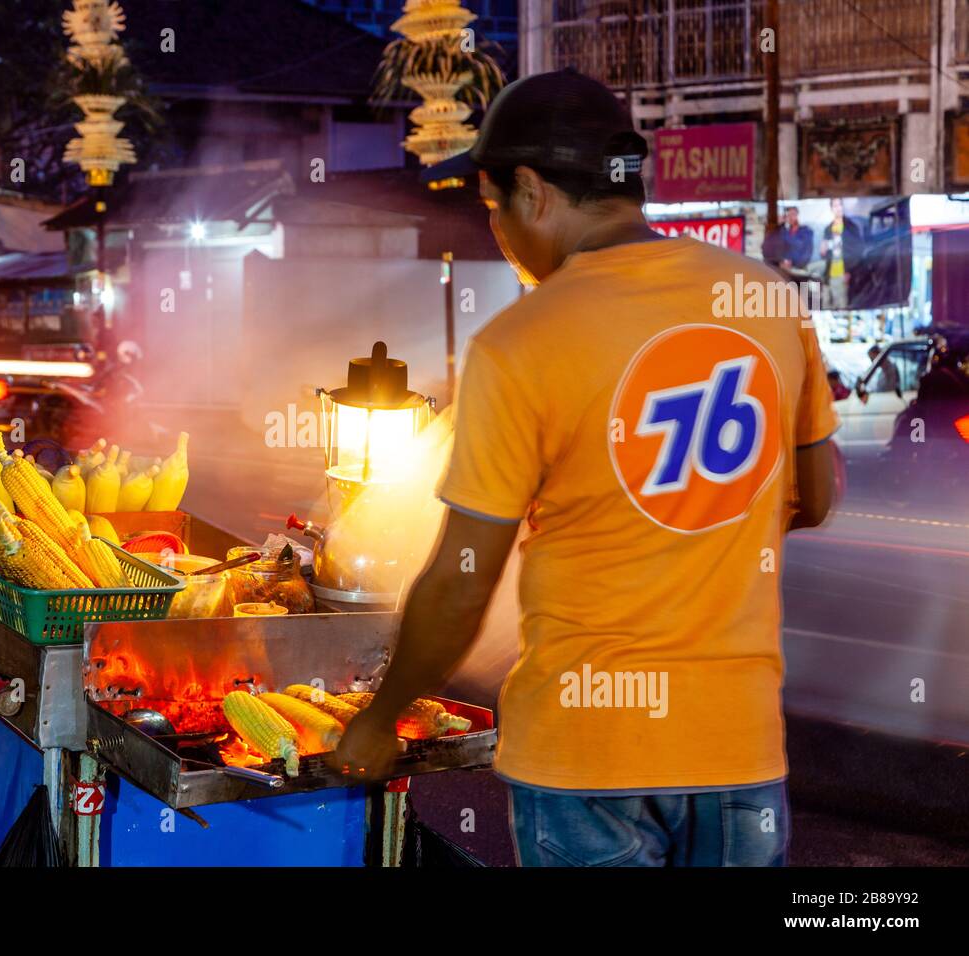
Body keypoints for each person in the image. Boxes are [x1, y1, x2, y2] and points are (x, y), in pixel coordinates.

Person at [331, 68, 839, 867]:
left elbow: (463, 579)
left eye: (494, 207)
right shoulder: (764, 296)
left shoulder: (520, 343)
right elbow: (817, 496)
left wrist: (382, 712)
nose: (497, 229)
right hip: (735, 751)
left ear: (531, 191)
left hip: (586, 757)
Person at [820, 197, 864, 310]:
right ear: (831, 208)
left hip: (843, 275)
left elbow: (859, 251)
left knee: (842, 307)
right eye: (835, 206)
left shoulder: (851, 227)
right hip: (829, 276)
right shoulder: (828, 229)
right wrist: (823, 251)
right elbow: (824, 254)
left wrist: (849, 271)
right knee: (826, 307)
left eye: (840, 205)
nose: (838, 208)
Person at [761, 205, 813, 276]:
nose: (791, 217)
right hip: (782, 270)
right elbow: (771, 248)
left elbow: (807, 252)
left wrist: (794, 263)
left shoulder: (806, 232)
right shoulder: (783, 232)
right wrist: (781, 261)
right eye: (788, 215)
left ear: (798, 215)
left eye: (793, 214)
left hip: (799, 270)